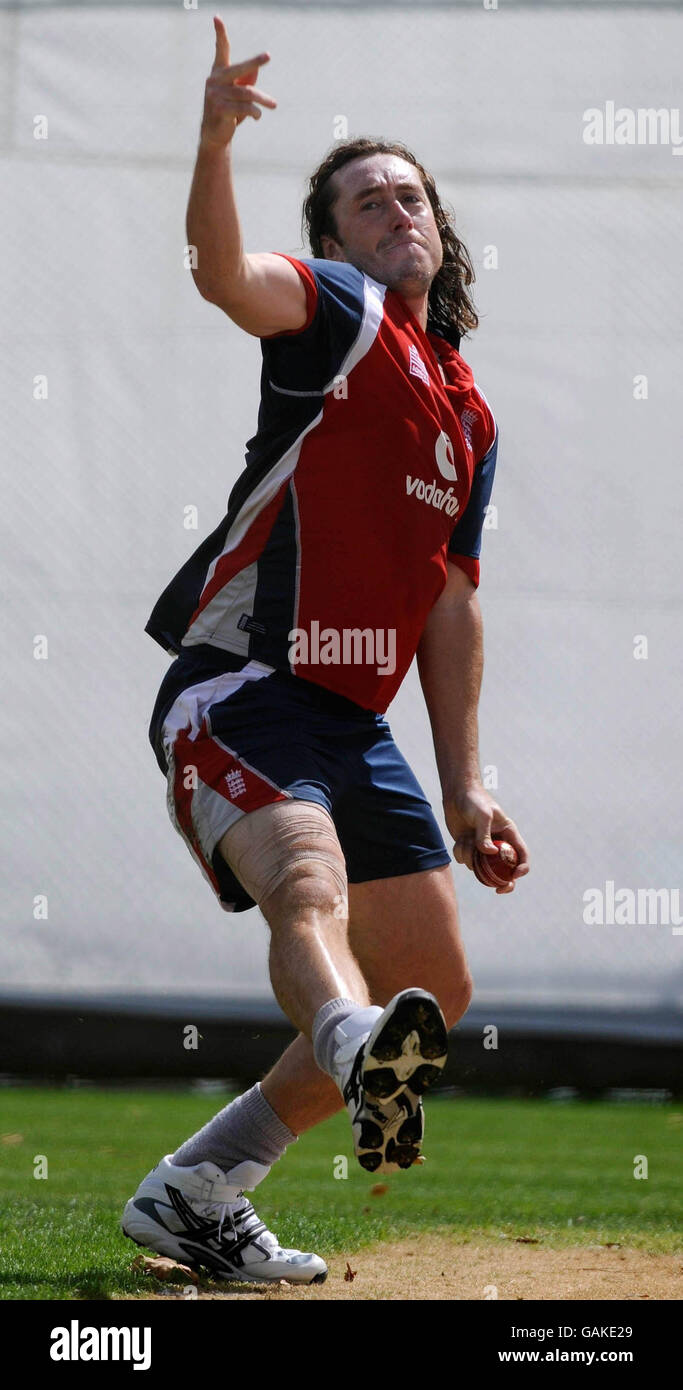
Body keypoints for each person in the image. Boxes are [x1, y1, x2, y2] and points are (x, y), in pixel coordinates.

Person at [121, 16, 529, 1286]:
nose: (391, 210)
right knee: (308, 884)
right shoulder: (334, 309)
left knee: (436, 982)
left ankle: (197, 1189)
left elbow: (450, 608)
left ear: (438, 229)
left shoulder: (467, 415)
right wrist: (210, 139)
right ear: (337, 236)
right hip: (238, 685)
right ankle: (358, 1049)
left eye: (408, 195)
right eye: (363, 201)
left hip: (352, 718)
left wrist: (466, 783)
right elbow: (219, 275)